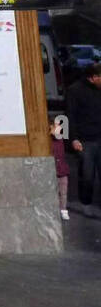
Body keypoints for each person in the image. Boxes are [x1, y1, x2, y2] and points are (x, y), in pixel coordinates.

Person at [67, 60, 101, 216]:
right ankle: (85, 203)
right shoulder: (75, 91)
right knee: (87, 175)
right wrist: (73, 139)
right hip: (85, 140)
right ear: (93, 77)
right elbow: (70, 116)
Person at [49, 116, 70, 220]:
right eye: (56, 127)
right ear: (51, 127)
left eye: (60, 127)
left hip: (62, 169)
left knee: (63, 192)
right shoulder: (48, 141)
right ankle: (55, 210)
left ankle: (63, 210)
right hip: (53, 170)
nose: (59, 129)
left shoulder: (60, 139)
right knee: (55, 191)